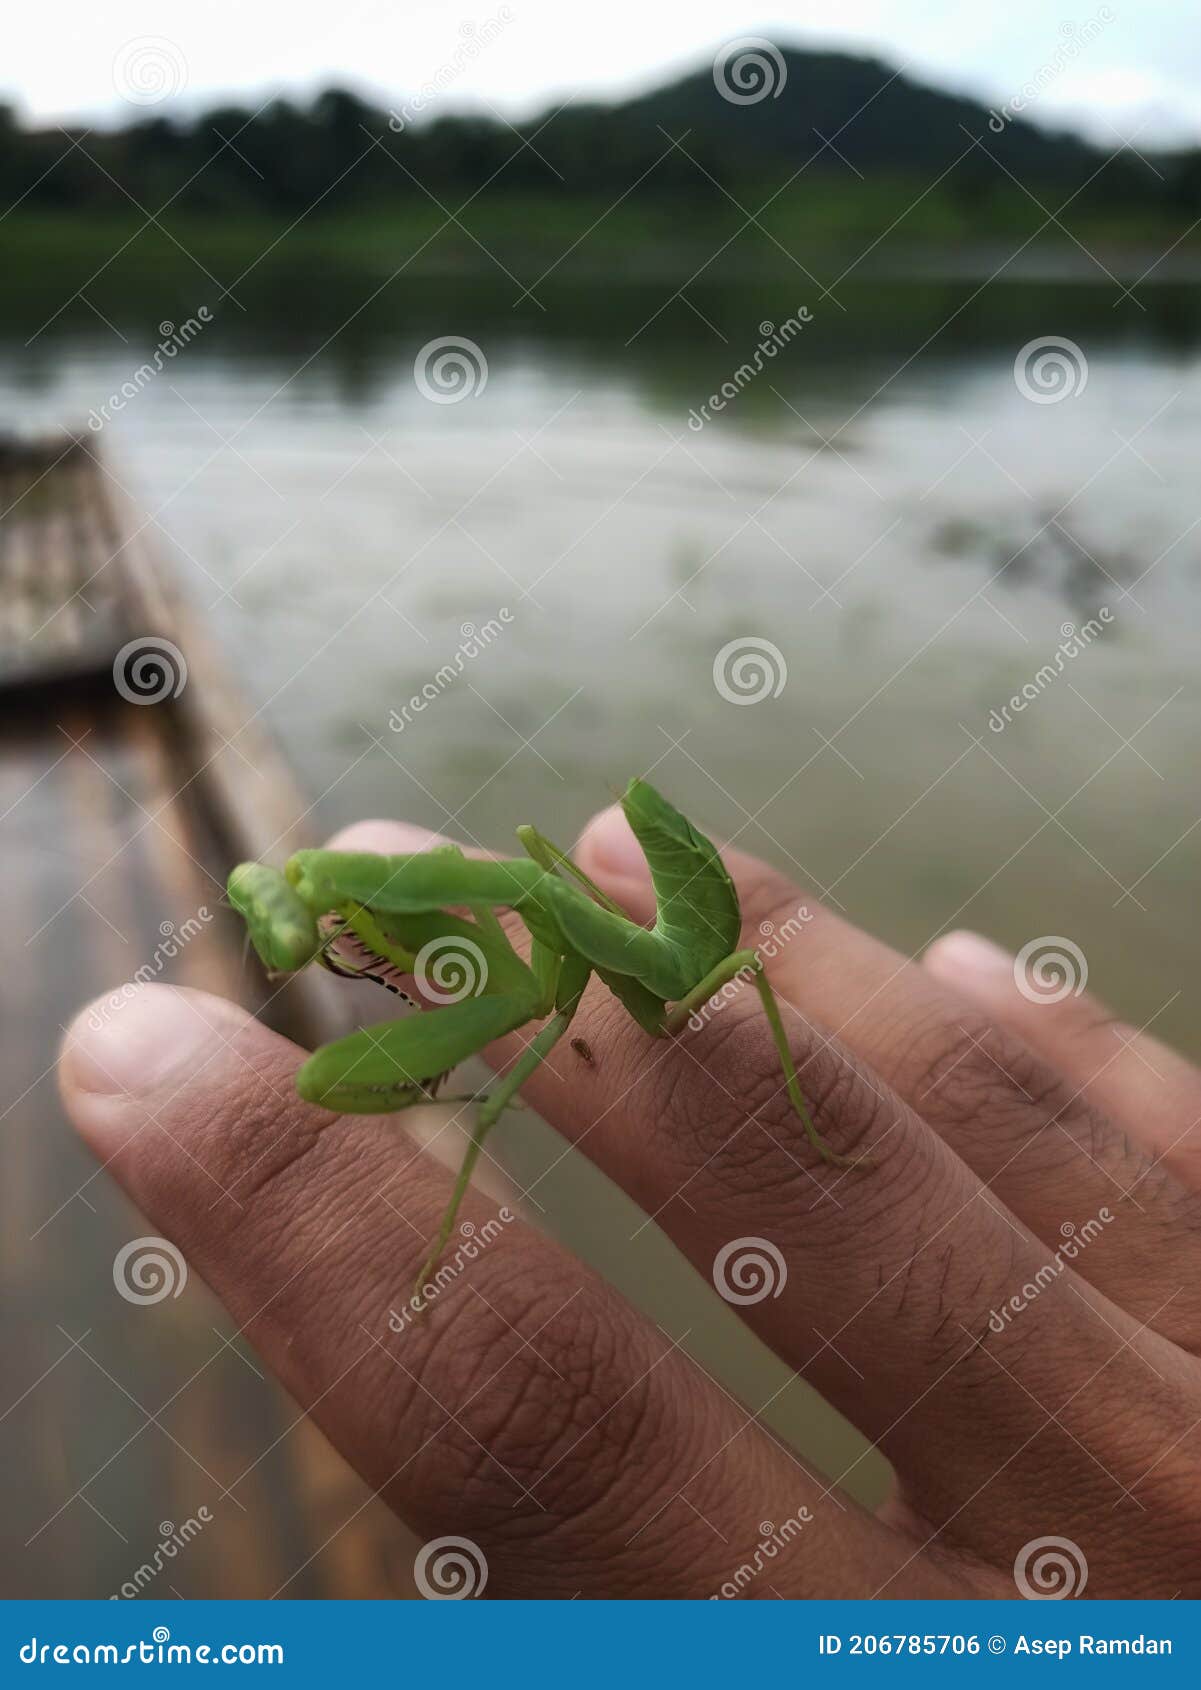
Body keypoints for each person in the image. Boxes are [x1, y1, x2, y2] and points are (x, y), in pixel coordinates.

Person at [57, 801, 1201, 1599]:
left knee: (618, 1020)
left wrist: (815, 1128)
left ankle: (795, 1124)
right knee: (529, 941)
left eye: (347, 933)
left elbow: (673, 973)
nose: (345, 948)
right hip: (554, 917)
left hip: (678, 955)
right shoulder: (487, 912)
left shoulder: (532, 926)